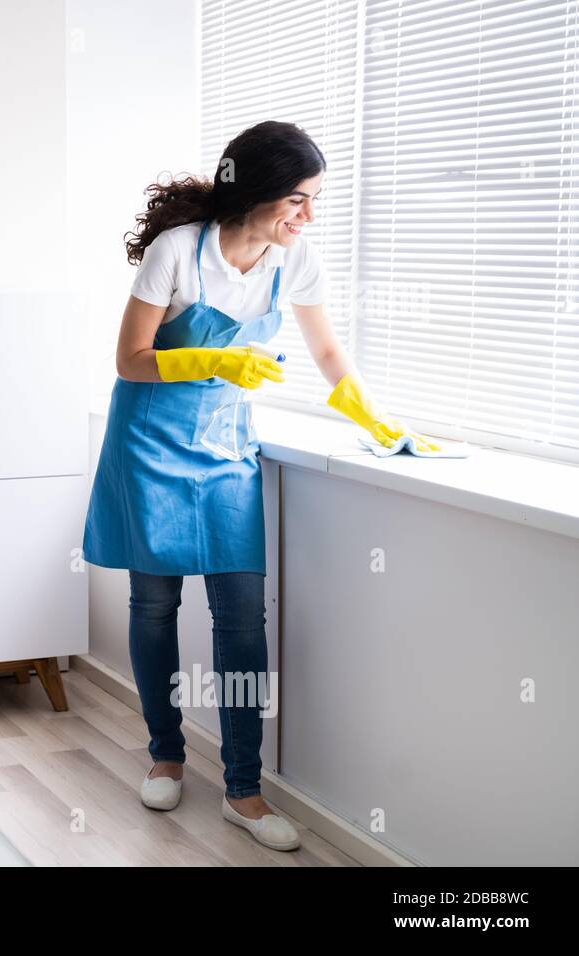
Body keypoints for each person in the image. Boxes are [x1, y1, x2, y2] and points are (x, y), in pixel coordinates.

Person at [83, 121, 438, 851]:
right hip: (149, 443)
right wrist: (214, 364)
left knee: (244, 620)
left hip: (224, 452)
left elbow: (327, 348)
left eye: (312, 202)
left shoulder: (293, 259)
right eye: (298, 202)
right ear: (259, 194)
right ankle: (166, 753)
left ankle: (242, 788)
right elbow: (130, 359)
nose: (307, 217)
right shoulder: (177, 252)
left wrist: (375, 419)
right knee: (154, 606)